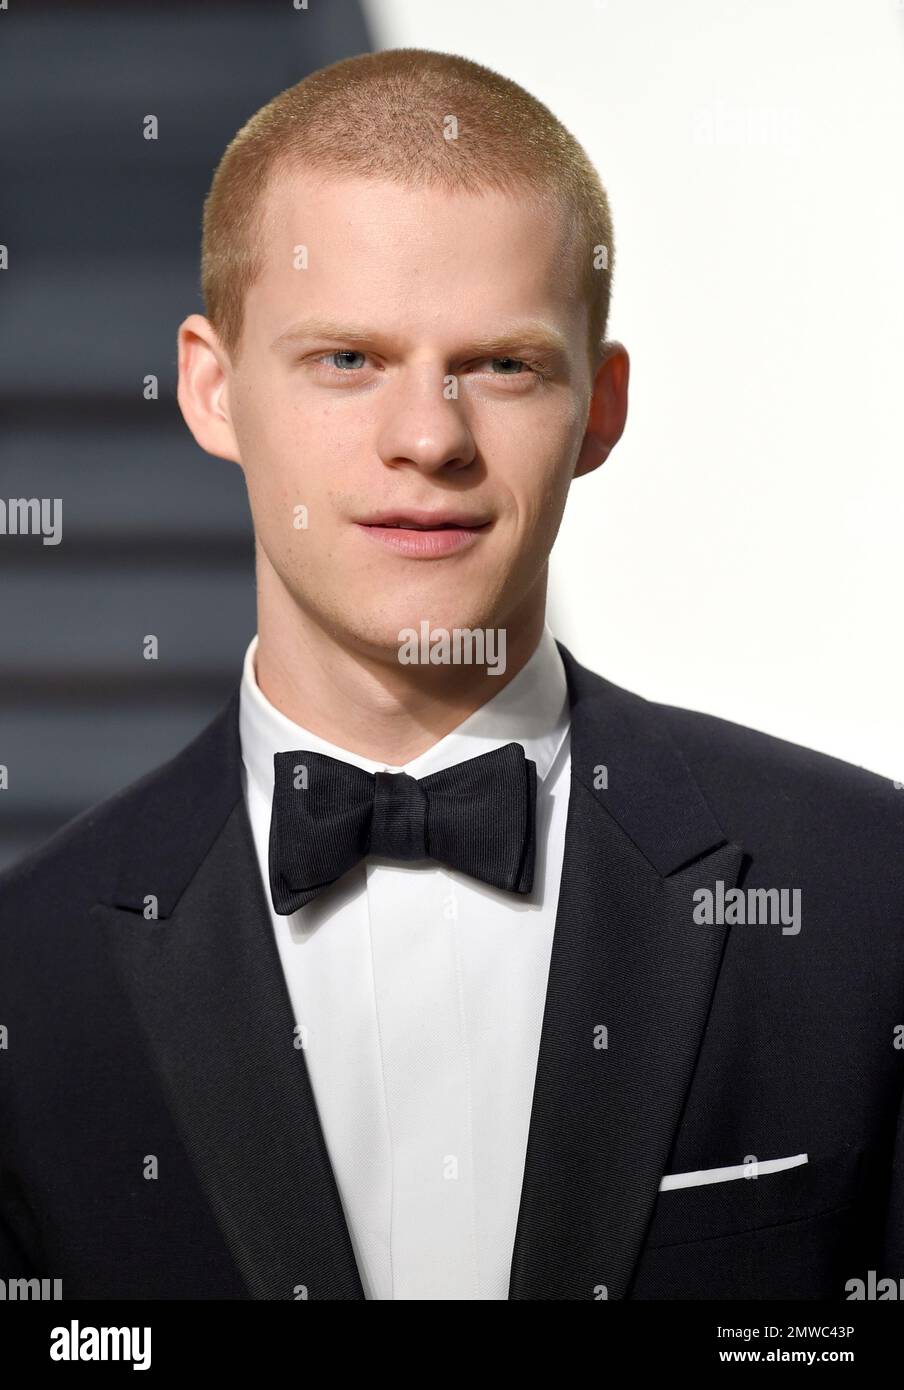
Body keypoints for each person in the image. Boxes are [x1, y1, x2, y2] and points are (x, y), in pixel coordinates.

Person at [1, 47, 901, 1302]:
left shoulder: (872, 898)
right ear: (211, 389)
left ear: (599, 405)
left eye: (501, 364)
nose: (427, 437)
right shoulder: (26, 974)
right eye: (347, 360)